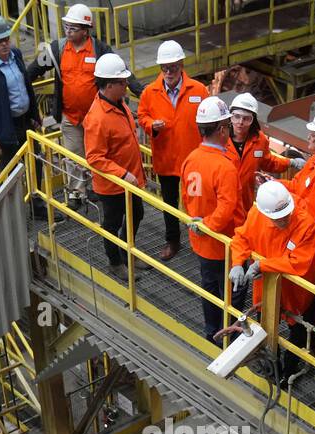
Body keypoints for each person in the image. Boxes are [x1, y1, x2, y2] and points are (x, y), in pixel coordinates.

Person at [28, 4, 141, 209]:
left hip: (97, 119)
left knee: (99, 156)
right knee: (73, 156)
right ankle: (76, 195)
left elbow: (123, 72)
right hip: (70, 117)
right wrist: (21, 87)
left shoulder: (100, 50)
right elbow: (35, 68)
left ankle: (97, 189)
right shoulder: (58, 49)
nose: (68, 31)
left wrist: (143, 92)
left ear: (85, 30)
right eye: (67, 27)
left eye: (73, 28)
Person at [227, 180, 315, 370]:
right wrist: (237, 263)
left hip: (295, 292)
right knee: (265, 327)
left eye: (286, 215)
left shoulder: (306, 224)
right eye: (278, 218)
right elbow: (241, 238)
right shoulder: (256, 215)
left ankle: (288, 370)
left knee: (297, 332)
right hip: (266, 290)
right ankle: (269, 367)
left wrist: (263, 265)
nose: (284, 220)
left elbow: (298, 262)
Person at [137, 41, 207, 261]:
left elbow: (209, 120)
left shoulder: (198, 90)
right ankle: (172, 240)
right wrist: (150, 125)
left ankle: (202, 241)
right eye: (164, 68)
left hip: (193, 161)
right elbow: (142, 116)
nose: (168, 73)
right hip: (166, 159)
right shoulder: (150, 92)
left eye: (173, 68)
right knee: (169, 203)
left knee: (195, 202)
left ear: (181, 65)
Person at [0, 14, 46, 216]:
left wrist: (34, 115)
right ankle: (15, 216)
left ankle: (36, 207)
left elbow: (26, 87)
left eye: (6, 39)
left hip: (25, 123)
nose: (4, 44)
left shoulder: (16, 55)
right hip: (6, 129)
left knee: (35, 163)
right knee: (10, 174)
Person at [181, 96, 242, 341]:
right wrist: (208, 227)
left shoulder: (191, 158)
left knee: (209, 289)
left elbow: (185, 196)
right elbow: (227, 208)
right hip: (222, 243)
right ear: (221, 129)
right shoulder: (224, 166)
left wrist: (199, 226)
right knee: (232, 293)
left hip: (200, 241)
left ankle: (211, 331)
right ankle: (232, 336)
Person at [83, 52, 144, 278]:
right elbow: (95, 157)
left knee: (136, 214)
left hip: (131, 179)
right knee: (112, 223)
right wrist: (122, 174)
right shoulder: (97, 118)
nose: (126, 85)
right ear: (109, 86)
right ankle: (115, 263)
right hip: (113, 185)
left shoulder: (118, 103)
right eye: (122, 82)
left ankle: (128, 253)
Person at [226, 93, 300, 215]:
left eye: (246, 118)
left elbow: (268, 161)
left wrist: (290, 162)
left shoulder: (260, 140)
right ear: (230, 116)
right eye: (236, 116)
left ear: (253, 120)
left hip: (245, 202)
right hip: (221, 199)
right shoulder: (220, 138)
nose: (240, 122)